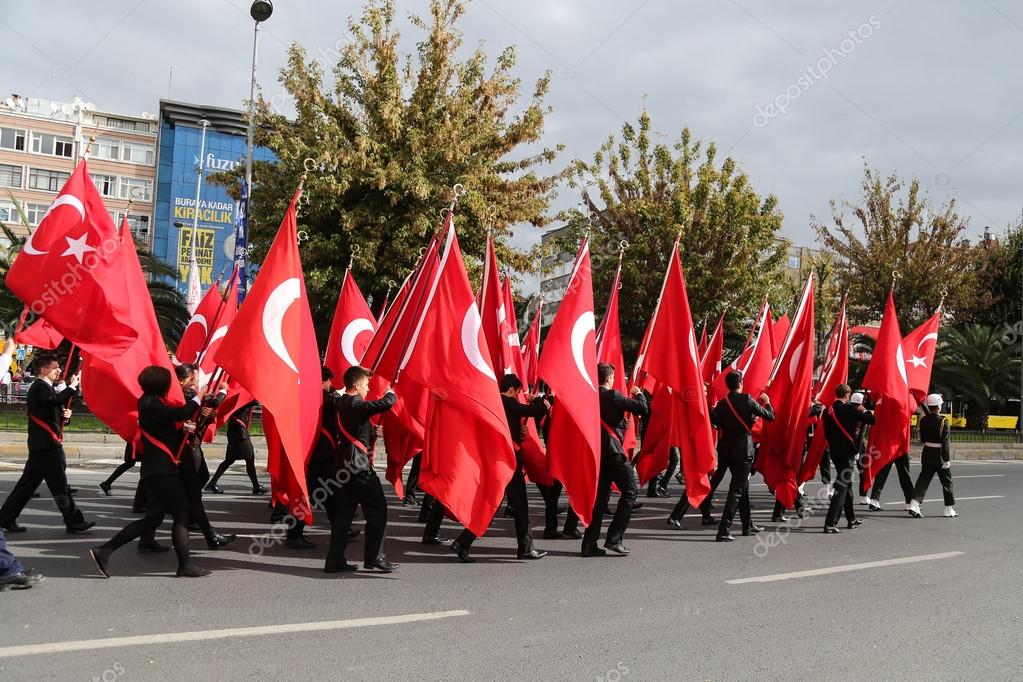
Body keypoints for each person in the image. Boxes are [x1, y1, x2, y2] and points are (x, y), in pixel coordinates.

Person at [88, 366, 213, 578]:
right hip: (162, 470)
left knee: (153, 519)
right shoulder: (152, 403)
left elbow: (164, 425)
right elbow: (181, 413)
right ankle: (185, 565)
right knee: (181, 515)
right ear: (162, 385)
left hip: (157, 469)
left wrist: (183, 429)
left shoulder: (149, 402)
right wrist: (200, 396)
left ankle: (105, 551)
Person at [451, 374, 549, 563]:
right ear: (511, 389)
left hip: (504, 458)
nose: (518, 396)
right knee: (510, 505)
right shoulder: (506, 401)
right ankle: (465, 542)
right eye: (518, 392)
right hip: (508, 460)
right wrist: (540, 401)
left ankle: (523, 547)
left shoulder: (497, 403)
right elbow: (537, 411)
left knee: (505, 504)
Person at [0, 353, 94, 534]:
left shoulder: (45, 387)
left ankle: (6, 518)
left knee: (26, 487)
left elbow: (50, 411)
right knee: (60, 485)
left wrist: (65, 417)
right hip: (46, 446)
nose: (59, 370)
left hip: (42, 445)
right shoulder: (39, 386)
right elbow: (53, 401)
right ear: (44, 370)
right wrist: (72, 387)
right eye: (55, 367)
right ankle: (73, 521)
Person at [319, 365, 398, 573]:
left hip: (343, 464)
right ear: (356, 384)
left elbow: (355, 429)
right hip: (358, 466)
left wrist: (372, 432)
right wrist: (391, 392)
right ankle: (375, 557)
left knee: (343, 515)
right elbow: (385, 404)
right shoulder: (354, 402)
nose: (368, 388)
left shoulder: (342, 403)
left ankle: (334, 560)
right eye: (366, 384)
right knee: (378, 510)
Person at [581, 363, 648, 557]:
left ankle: (589, 544)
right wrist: (638, 393)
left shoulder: (590, 396)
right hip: (614, 453)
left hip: (598, 453)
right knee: (630, 492)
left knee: (600, 500)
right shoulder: (613, 395)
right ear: (610, 378)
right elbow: (642, 408)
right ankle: (614, 538)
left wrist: (620, 423)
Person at [175, 364, 235, 549]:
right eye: (193, 378)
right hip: (187, 447)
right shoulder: (182, 396)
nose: (196, 381)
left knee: (201, 480)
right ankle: (209, 535)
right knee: (191, 495)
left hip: (194, 445)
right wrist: (222, 392)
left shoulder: (189, 395)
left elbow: (207, 406)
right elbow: (194, 406)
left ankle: (189, 516)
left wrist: (210, 410)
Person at [713, 370, 773, 542]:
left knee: (743, 487)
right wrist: (767, 403)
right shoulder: (747, 399)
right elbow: (770, 416)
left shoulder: (722, 403)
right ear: (740, 383)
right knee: (737, 491)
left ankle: (747, 525)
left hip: (726, 450)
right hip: (743, 451)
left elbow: (716, 420)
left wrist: (745, 422)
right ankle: (723, 529)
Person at [822, 384, 875, 533]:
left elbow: (826, 433)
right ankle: (830, 523)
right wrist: (865, 410)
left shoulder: (828, 411)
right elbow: (872, 420)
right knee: (841, 486)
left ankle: (851, 519)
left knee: (847, 485)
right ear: (847, 395)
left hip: (834, 451)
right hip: (847, 453)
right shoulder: (851, 409)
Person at [909, 394, 957, 518]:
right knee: (947, 482)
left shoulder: (924, 420)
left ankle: (914, 503)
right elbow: (945, 443)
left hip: (927, 453)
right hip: (939, 456)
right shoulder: (943, 422)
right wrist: (946, 460)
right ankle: (948, 509)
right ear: (939, 407)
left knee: (923, 480)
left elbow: (923, 439)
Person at [206, 401, 268, 495]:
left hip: (235, 431)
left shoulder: (235, 399)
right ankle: (256, 487)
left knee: (229, 461)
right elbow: (255, 402)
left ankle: (212, 483)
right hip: (240, 434)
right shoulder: (240, 399)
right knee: (249, 459)